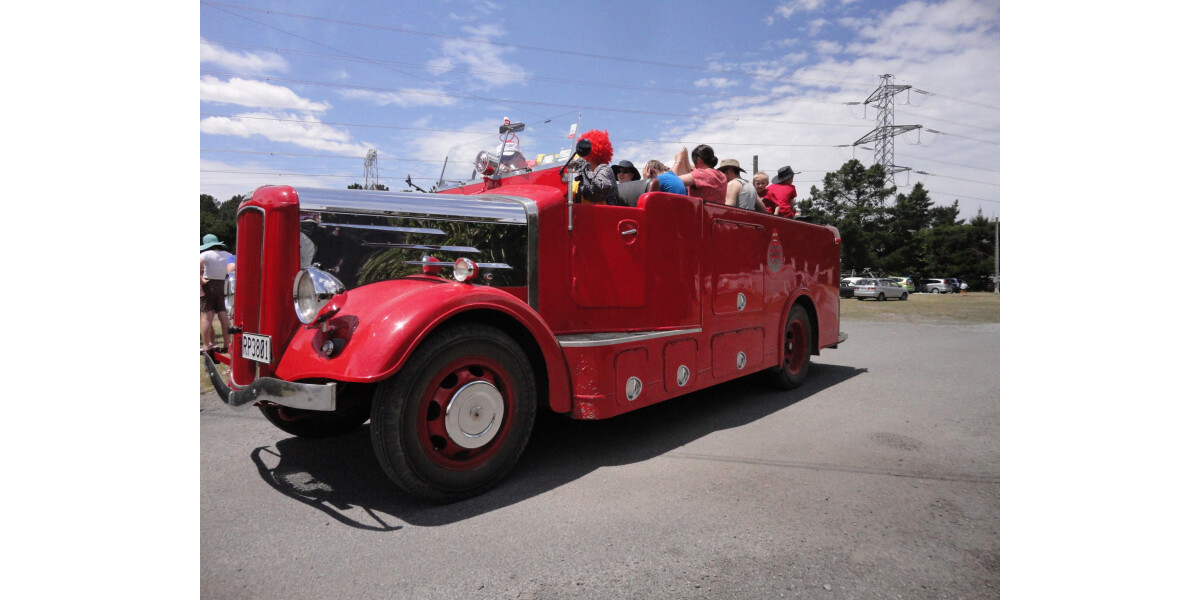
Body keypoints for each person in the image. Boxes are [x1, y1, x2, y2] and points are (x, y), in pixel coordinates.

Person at [200, 233, 233, 357]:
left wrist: (201, 280)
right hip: (224, 285)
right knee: (224, 317)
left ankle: (206, 345)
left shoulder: (205, 254)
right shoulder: (228, 255)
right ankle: (227, 343)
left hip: (209, 286)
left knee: (206, 317)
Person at [573, 130, 621, 205]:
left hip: (606, 212)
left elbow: (594, 192)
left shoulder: (605, 169)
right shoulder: (581, 178)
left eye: (582, 151)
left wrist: (581, 165)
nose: (579, 157)